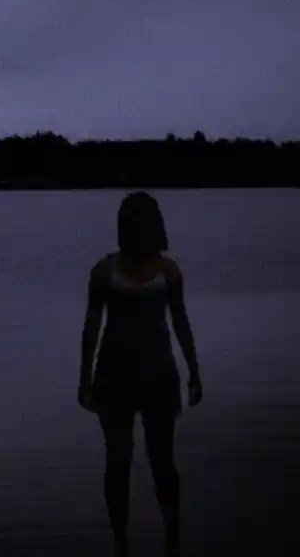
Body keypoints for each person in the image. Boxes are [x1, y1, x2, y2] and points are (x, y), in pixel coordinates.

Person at [79, 191, 202, 557]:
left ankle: (170, 535)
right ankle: (122, 539)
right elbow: (90, 328)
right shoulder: (104, 272)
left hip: (157, 378)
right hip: (116, 378)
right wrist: (84, 381)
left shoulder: (168, 272)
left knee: (159, 459)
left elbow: (181, 322)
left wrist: (194, 371)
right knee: (119, 461)